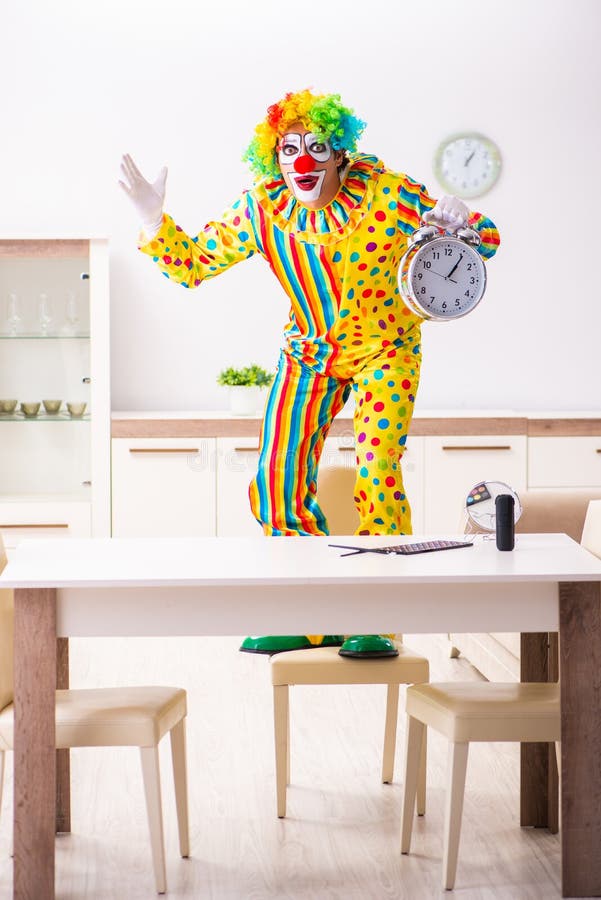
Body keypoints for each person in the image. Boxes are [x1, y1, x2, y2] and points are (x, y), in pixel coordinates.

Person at [119, 89, 500, 658]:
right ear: (273, 157)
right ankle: (309, 614)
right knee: (277, 475)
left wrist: (462, 220)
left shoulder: (388, 193)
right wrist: (153, 219)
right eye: (289, 149)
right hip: (310, 352)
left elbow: (485, 243)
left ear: (341, 154)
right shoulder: (263, 207)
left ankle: (377, 617)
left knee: (377, 469)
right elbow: (193, 265)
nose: (302, 160)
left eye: (317, 147)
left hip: (386, 349)